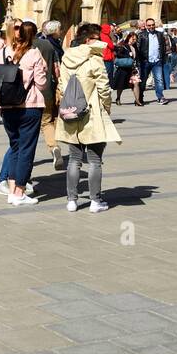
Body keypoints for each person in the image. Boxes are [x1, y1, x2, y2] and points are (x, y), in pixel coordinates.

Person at [55, 22, 122, 212]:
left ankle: (71, 200)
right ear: (88, 40)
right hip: (91, 114)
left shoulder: (67, 56)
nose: (100, 41)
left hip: (70, 112)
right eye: (97, 38)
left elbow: (61, 84)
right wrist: (107, 108)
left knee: (75, 159)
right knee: (94, 160)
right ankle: (95, 201)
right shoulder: (94, 58)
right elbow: (104, 88)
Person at [0, 21, 46, 206]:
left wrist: (5, 93)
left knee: (15, 146)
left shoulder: (2, 53)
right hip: (29, 106)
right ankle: (19, 192)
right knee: (26, 149)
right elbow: (42, 83)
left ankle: (12, 189)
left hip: (6, 108)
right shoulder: (34, 53)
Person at [33, 19, 63, 169]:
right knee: (47, 122)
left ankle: (25, 156)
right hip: (47, 91)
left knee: (28, 127)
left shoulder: (22, 47)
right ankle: (54, 147)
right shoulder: (49, 46)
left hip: (27, 95)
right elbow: (57, 70)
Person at [136, 17, 169, 103]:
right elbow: (138, 49)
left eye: (153, 25)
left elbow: (163, 47)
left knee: (159, 80)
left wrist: (162, 58)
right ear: (146, 26)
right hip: (145, 61)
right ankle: (140, 97)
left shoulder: (159, 34)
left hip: (157, 61)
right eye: (149, 25)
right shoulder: (141, 35)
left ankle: (160, 97)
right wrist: (139, 61)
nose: (151, 27)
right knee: (143, 81)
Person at [113, 31, 142, 106]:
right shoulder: (124, 46)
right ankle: (118, 98)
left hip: (133, 69)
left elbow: (137, 57)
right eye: (133, 39)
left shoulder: (135, 47)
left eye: (135, 39)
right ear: (128, 38)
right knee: (121, 85)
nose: (134, 41)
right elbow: (118, 54)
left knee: (136, 83)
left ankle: (137, 101)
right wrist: (127, 55)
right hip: (124, 68)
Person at [100, 22, 116, 88]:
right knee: (108, 72)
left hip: (105, 56)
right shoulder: (105, 36)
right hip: (107, 57)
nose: (110, 30)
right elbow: (111, 46)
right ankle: (110, 85)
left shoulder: (101, 35)